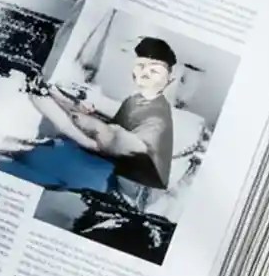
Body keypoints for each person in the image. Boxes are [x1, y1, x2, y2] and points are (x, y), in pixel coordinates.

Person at [29, 36, 178, 191]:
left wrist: (43, 95)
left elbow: (63, 123)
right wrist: (58, 92)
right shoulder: (122, 128)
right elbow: (84, 107)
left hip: (59, 102)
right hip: (72, 96)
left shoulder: (92, 143)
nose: (117, 129)